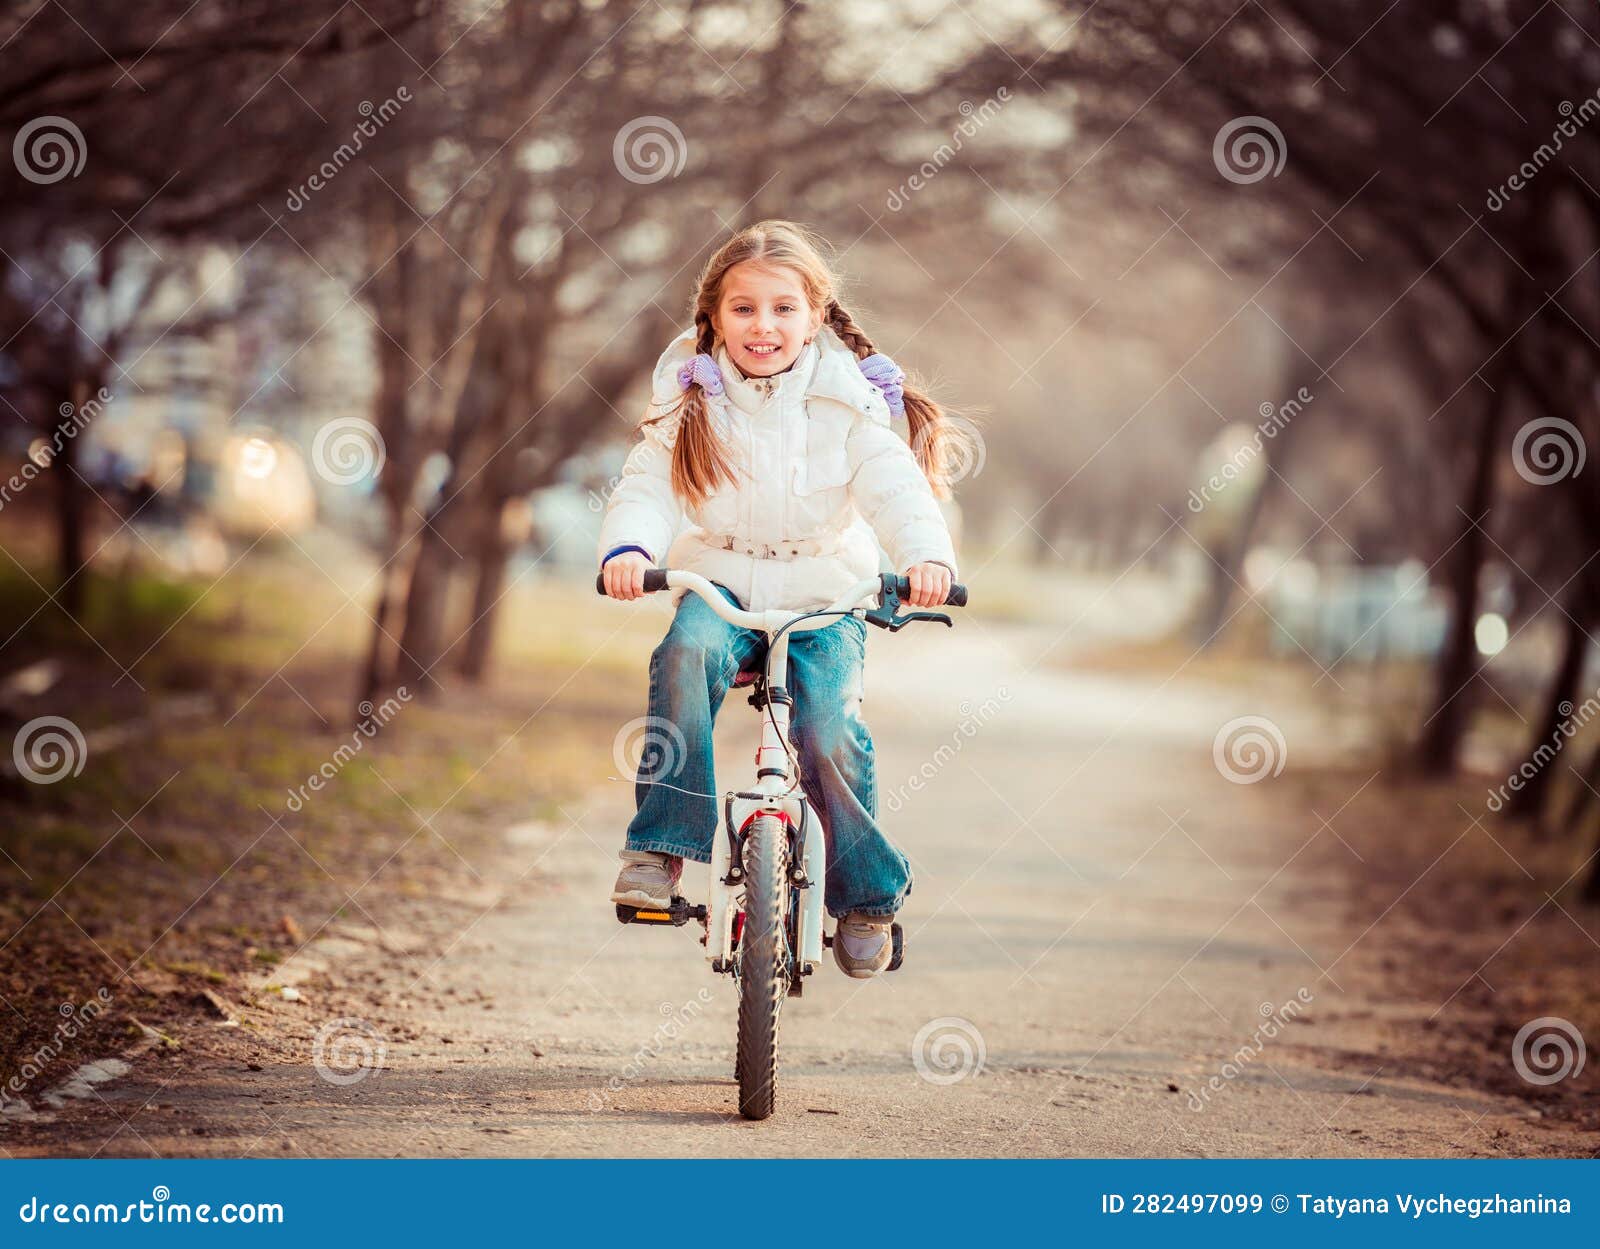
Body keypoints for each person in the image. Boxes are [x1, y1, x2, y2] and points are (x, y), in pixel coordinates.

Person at [596, 219, 959, 979]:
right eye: (744, 309)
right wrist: (629, 550)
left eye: (783, 309)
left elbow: (896, 489)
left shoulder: (845, 402)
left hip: (826, 589)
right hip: (721, 580)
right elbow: (647, 487)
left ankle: (865, 895)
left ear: (815, 317)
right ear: (714, 318)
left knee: (828, 732)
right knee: (685, 652)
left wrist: (925, 558)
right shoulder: (689, 398)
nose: (763, 326)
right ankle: (663, 847)